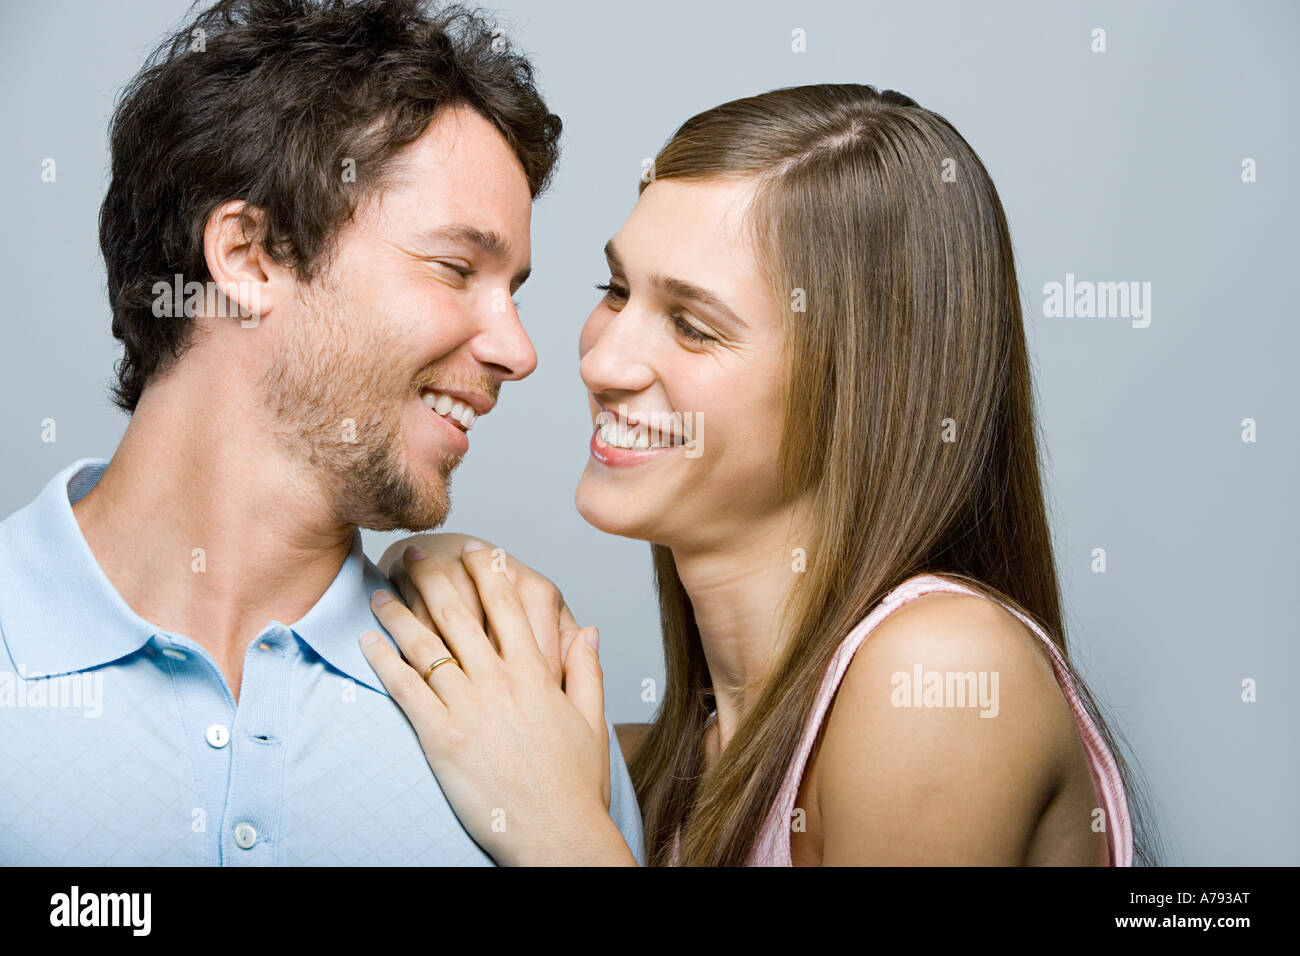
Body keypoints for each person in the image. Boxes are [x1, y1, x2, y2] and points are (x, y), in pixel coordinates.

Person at [364, 83, 1160, 866]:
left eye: (693, 325)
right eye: (615, 290)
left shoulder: (941, 676)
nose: (600, 362)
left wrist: (561, 837)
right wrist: (433, 572)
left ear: (861, 392)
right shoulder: (653, 777)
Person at [0, 0, 645, 865]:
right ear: (250, 255)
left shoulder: (528, 691)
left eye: (514, 292)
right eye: (457, 268)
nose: (521, 352)